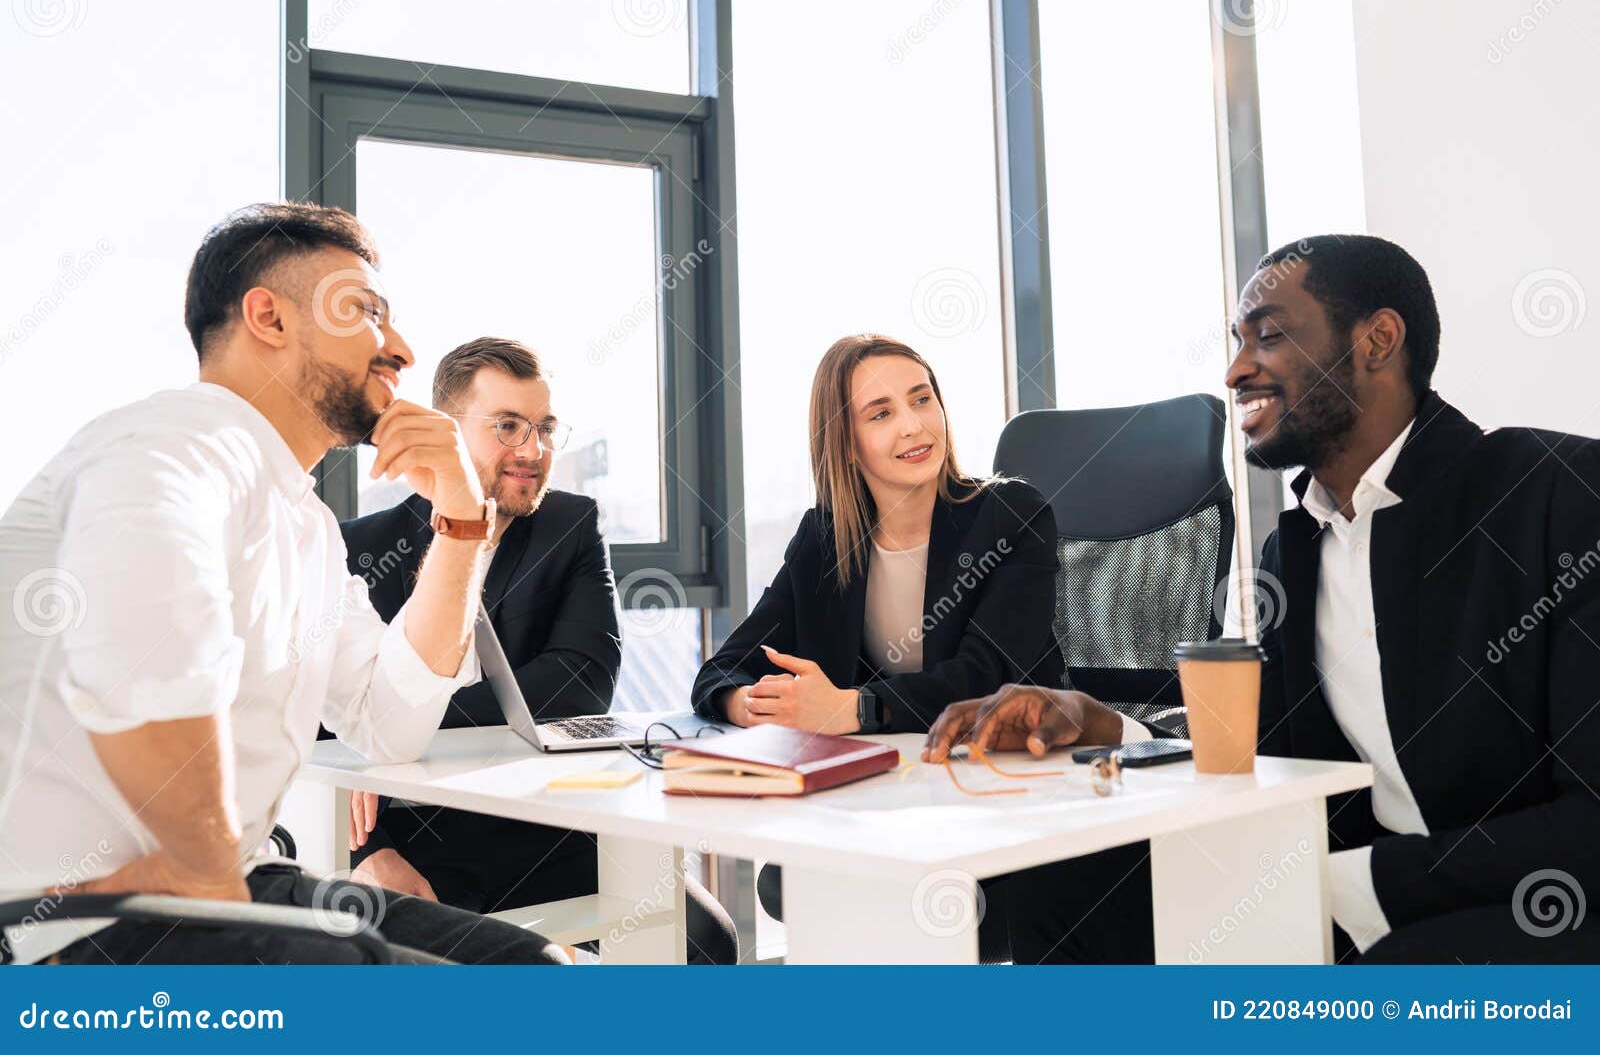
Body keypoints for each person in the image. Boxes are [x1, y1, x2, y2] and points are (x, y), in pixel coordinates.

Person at [925, 234, 1600, 964]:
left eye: (1269, 336)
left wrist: (1354, 884)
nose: (1236, 369)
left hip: (1537, 909)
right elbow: (1272, 760)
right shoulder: (1297, 547)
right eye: (1238, 340)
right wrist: (1106, 725)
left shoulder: (1559, 495)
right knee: (1062, 886)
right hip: (1351, 887)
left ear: (1378, 340)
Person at [0, 203, 564, 964]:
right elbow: (137, 636)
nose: (399, 347)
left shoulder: (307, 527)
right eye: (367, 312)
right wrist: (200, 866)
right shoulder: (171, 443)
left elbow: (390, 724)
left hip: (235, 887)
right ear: (267, 317)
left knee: (535, 969)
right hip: (83, 928)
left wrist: (463, 518)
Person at [340, 337, 737, 963]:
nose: (533, 451)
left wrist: (387, 733)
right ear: (447, 431)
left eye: (544, 429)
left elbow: (580, 681)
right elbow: (317, 720)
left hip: (544, 826)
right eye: (507, 427)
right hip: (414, 834)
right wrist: (367, 849)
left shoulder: (569, 525)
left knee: (703, 941)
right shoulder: (362, 548)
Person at [692, 333, 1066, 738]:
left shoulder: (1012, 515)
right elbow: (724, 669)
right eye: (881, 414)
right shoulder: (824, 540)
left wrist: (855, 708)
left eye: (922, 400)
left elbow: (986, 678)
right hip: (895, 775)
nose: (913, 425)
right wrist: (752, 705)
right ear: (846, 444)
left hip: (1016, 764)